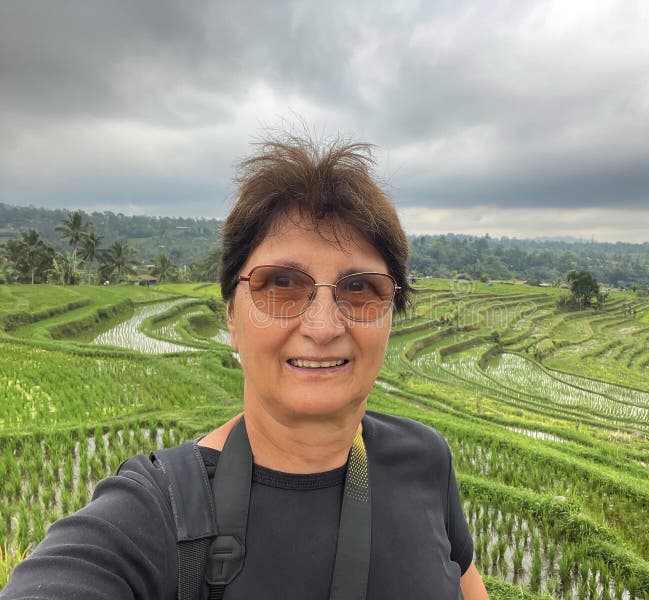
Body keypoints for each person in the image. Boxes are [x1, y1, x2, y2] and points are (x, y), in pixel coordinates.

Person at [0, 134, 489, 600]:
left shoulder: (425, 460)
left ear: (390, 314)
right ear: (231, 316)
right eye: (281, 283)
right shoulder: (157, 511)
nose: (322, 326)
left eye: (360, 288)